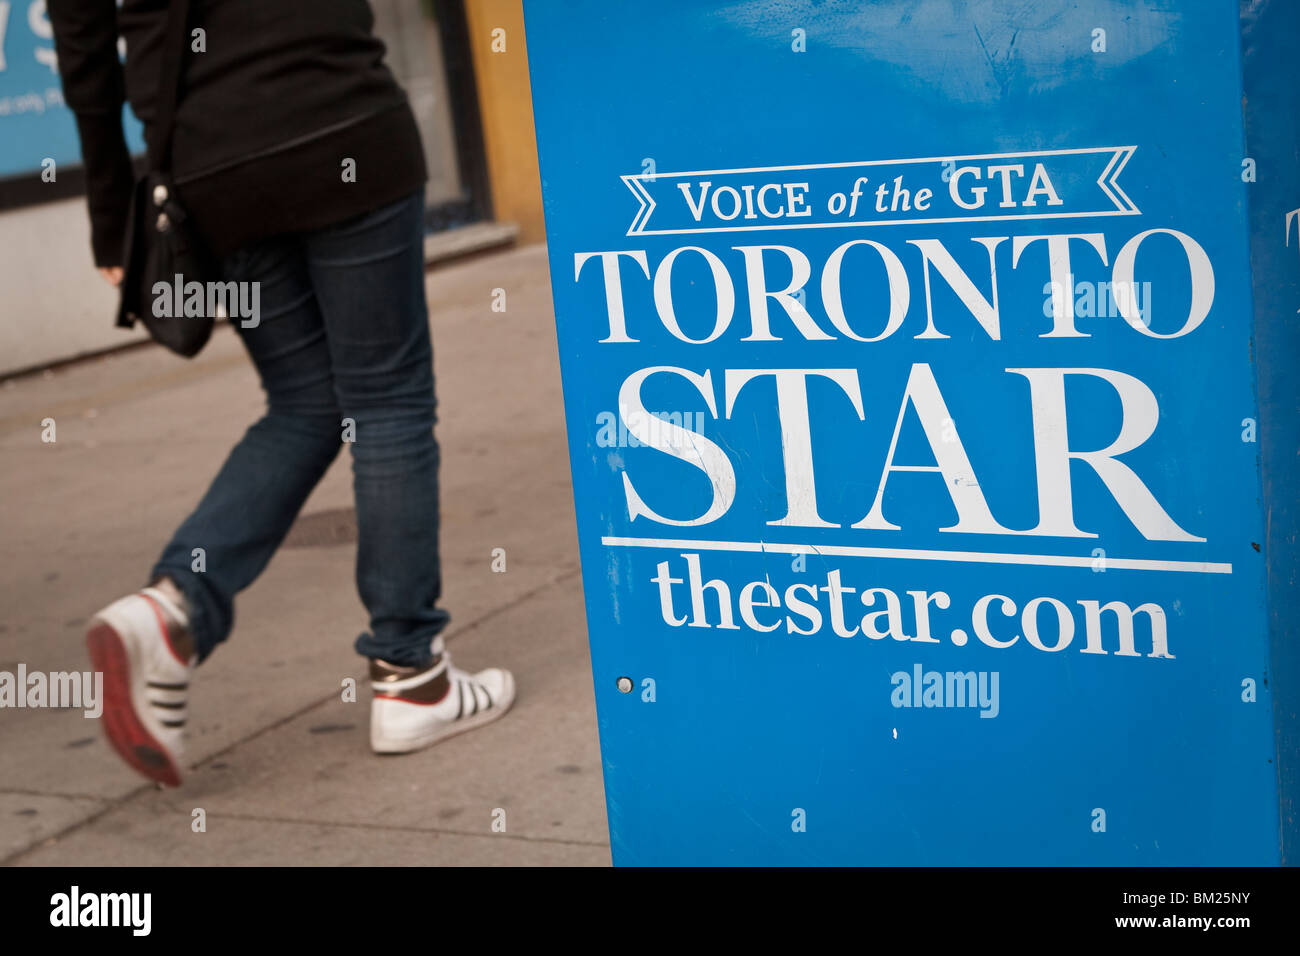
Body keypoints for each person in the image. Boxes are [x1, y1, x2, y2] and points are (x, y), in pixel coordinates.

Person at [49, 0, 513, 787]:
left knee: (305, 402)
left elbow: (84, 42)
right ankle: (411, 675)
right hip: (338, 116)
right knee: (388, 401)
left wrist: (109, 212)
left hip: (214, 167)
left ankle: (174, 609)